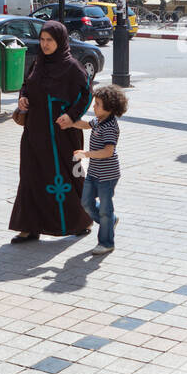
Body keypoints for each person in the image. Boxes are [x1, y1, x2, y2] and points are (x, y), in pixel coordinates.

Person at [9, 21, 93, 242]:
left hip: (61, 133)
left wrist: (72, 116)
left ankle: (80, 221)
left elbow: (86, 94)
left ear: (60, 41)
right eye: (42, 40)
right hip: (35, 131)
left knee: (65, 177)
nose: (45, 45)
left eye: (50, 41)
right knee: (30, 176)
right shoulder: (39, 63)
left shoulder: (72, 67)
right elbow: (27, 85)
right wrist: (23, 97)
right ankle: (29, 226)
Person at [69, 84, 129, 255]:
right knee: (86, 203)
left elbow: (108, 152)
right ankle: (110, 221)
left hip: (107, 176)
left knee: (105, 210)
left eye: (97, 104)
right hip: (94, 173)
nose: (93, 107)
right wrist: (70, 122)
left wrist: (85, 154)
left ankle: (106, 242)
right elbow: (86, 124)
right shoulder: (99, 121)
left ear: (109, 108)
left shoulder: (110, 127)